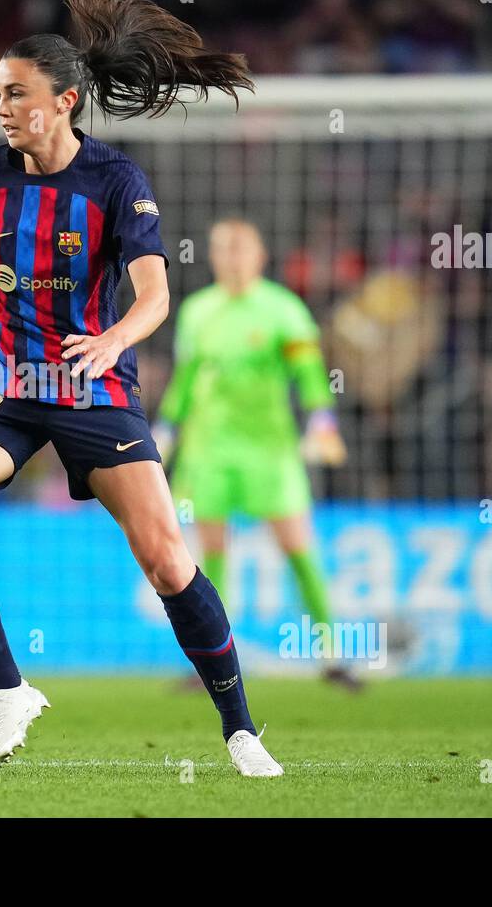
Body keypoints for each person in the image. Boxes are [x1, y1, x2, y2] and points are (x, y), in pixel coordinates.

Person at [0, 0, 283, 776]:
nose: (2, 108)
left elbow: (154, 296)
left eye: (17, 94)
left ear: (64, 102)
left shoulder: (115, 180)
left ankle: (242, 731)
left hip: (91, 388)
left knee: (168, 561)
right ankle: (9, 690)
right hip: (5, 387)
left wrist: (112, 340)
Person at [156, 218, 359, 691]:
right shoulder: (198, 312)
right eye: (223, 250)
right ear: (213, 257)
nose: (232, 259)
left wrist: (321, 418)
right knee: (210, 554)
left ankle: (332, 655)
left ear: (259, 256)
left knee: (298, 547)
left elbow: (309, 371)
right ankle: (214, 660)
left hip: (270, 448)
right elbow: (186, 378)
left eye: (240, 249)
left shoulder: (284, 310)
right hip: (209, 448)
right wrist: (166, 427)